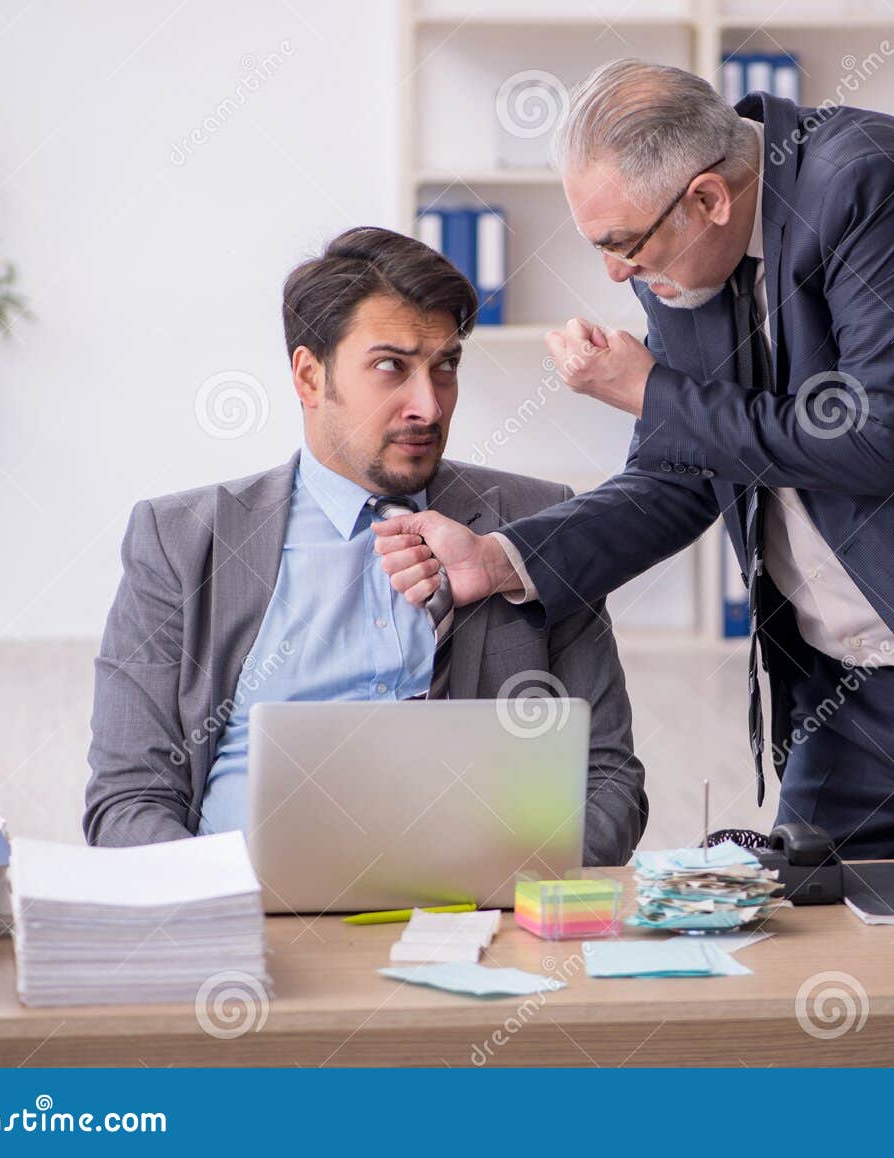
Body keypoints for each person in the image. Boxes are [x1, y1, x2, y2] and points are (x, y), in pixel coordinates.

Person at [373, 62, 894, 921]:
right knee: (805, 969)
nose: (616, 273)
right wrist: (502, 560)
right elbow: (681, 470)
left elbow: (879, 439)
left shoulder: (877, 182)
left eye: (623, 244)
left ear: (709, 200)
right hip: (846, 698)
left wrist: (650, 389)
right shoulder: (684, 259)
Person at [83, 226, 648, 866]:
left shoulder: (535, 521)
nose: (429, 406)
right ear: (309, 377)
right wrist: (218, 907)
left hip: (481, 930)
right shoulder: (182, 541)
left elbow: (608, 782)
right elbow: (127, 804)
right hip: (251, 927)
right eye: (391, 367)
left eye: (446, 367)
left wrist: (508, 890)